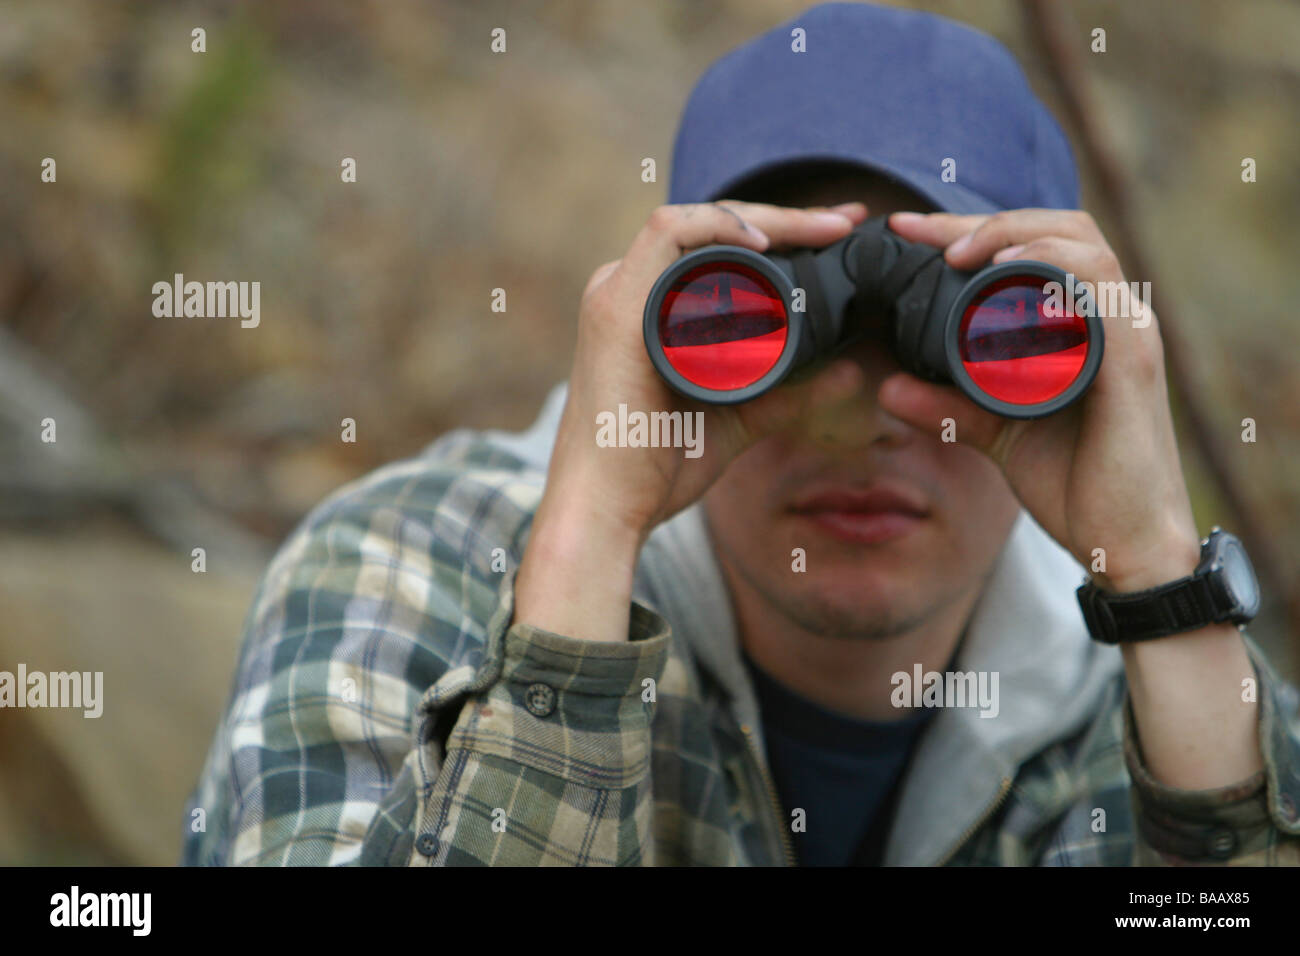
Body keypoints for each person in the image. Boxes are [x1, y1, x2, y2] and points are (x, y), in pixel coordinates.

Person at [182, 2, 1300, 866]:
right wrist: (583, 550)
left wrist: (1156, 581)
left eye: (975, 336)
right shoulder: (403, 566)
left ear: (1084, 368)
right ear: (645, 327)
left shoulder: (1144, 686)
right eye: (760, 323)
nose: (859, 420)